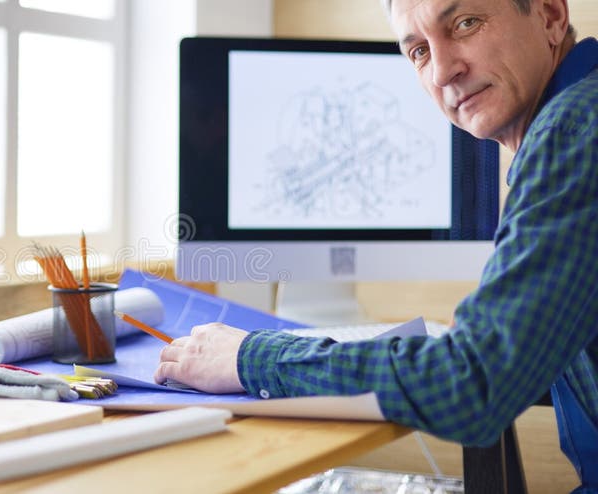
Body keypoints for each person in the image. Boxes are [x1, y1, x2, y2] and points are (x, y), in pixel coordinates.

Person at [154, 0, 598, 490]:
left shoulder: (575, 133)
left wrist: (249, 358)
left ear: (551, 16)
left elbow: (473, 385)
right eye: (419, 52)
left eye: (466, 24)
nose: (445, 71)